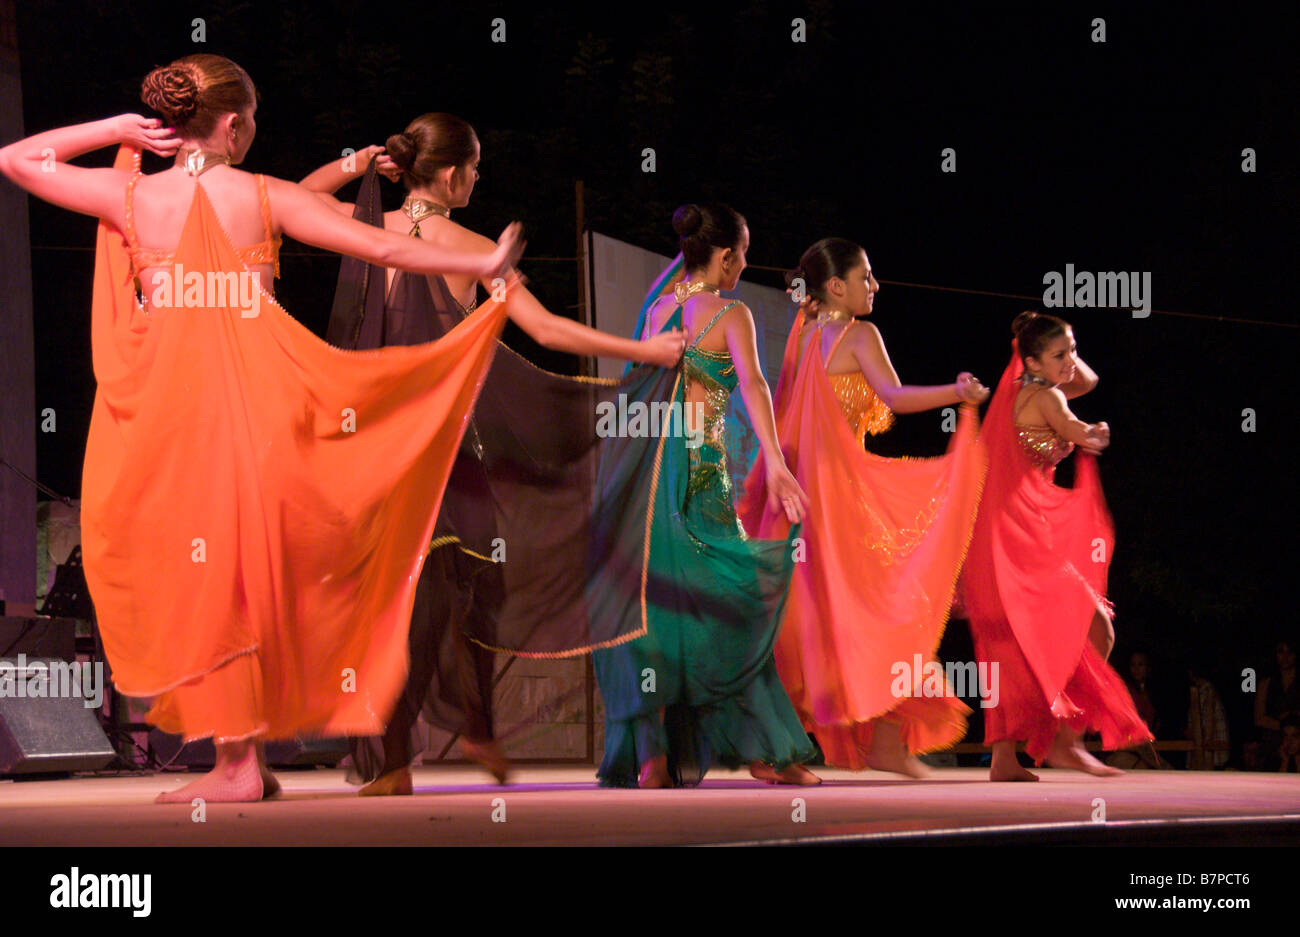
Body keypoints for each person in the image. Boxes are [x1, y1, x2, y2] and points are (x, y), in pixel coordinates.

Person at [0, 54, 537, 803]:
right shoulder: (262, 195)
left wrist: (116, 128)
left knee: (206, 580)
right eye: (251, 118)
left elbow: (16, 157)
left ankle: (239, 761)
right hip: (258, 416)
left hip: (172, 425)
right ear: (231, 124)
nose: (255, 129)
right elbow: (381, 244)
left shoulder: (129, 197)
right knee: (248, 580)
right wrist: (486, 257)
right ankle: (242, 757)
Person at [300, 113, 684, 793]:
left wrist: (358, 163)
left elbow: (300, 198)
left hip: (372, 451)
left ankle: (456, 732)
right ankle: (409, 753)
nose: (477, 179)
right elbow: (548, 330)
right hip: (446, 453)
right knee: (451, 594)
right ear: (451, 175)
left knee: (424, 595)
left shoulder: (365, 231)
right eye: (475, 168)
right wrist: (647, 354)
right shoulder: (468, 245)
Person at [738, 237, 988, 777]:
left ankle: (775, 748)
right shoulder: (857, 335)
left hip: (796, 498)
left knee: (807, 621)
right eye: (866, 276)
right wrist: (958, 391)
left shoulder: (803, 336)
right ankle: (880, 745)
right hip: (835, 501)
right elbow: (895, 398)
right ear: (836, 285)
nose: (874, 286)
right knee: (889, 606)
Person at [590, 204, 819, 788]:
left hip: (646, 476)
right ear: (725, 256)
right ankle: (768, 752)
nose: (743, 264)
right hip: (698, 476)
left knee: (655, 612)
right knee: (733, 605)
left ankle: (653, 757)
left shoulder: (659, 311)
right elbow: (754, 384)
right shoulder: (730, 312)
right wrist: (774, 461)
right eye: (741, 253)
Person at [960, 311, 1152, 781]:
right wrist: (1096, 433)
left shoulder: (1029, 389)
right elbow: (1079, 430)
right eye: (1060, 354)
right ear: (1030, 361)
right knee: (1097, 628)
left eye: (1071, 351)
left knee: (1013, 644)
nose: (1071, 362)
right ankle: (1067, 741)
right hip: (1019, 536)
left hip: (1017, 532)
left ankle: (1006, 759)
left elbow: (1088, 379)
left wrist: (1062, 351)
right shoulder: (1044, 397)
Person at [1254, 639, 1298, 771]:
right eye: (1281, 652)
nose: (1285, 657)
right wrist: (1284, 723)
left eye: (1289, 652)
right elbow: (1259, 718)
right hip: (1273, 745)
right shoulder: (1266, 683)